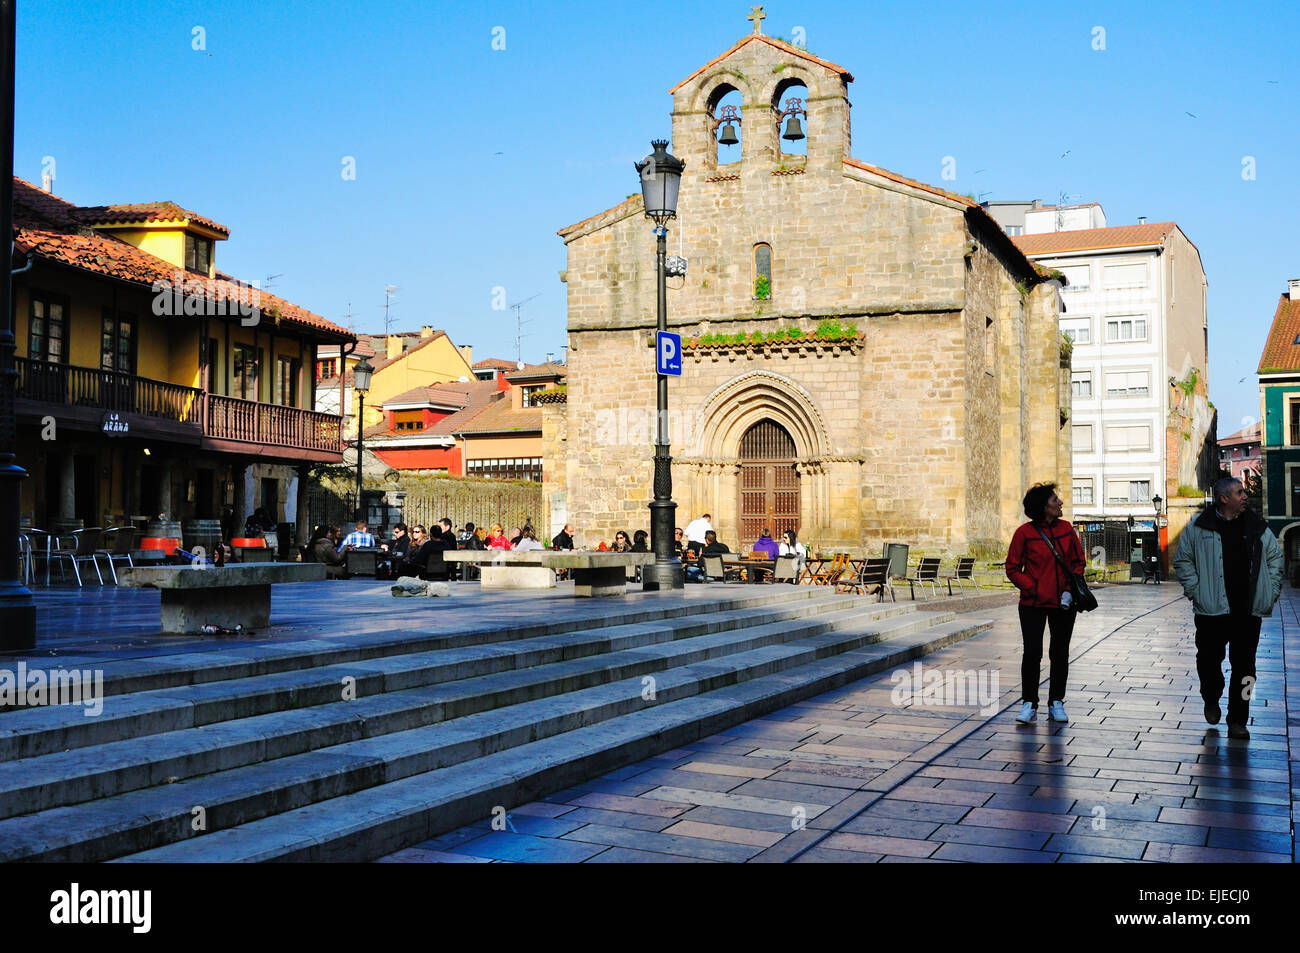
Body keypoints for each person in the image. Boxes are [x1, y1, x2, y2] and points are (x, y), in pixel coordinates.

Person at [1173, 476, 1282, 740]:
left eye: (1244, 492)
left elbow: (1274, 558)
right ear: (1224, 499)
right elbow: (1183, 560)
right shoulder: (1198, 527)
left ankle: (1238, 720)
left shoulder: (1257, 526)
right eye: (1239, 492)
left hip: (1248, 611)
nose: (1245, 496)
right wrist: (1195, 591)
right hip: (1211, 610)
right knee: (1208, 662)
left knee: (1246, 669)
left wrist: (1272, 589)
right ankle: (1211, 697)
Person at [1005, 482, 1086, 725]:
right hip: (1032, 603)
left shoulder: (1067, 530)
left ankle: (1056, 702)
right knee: (1032, 652)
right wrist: (1033, 587)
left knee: (1059, 653)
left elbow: (1078, 562)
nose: (1060, 503)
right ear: (1043, 507)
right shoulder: (1024, 534)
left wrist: (1069, 591)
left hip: (1063, 603)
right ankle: (1029, 703)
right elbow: (1012, 568)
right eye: (1054, 500)